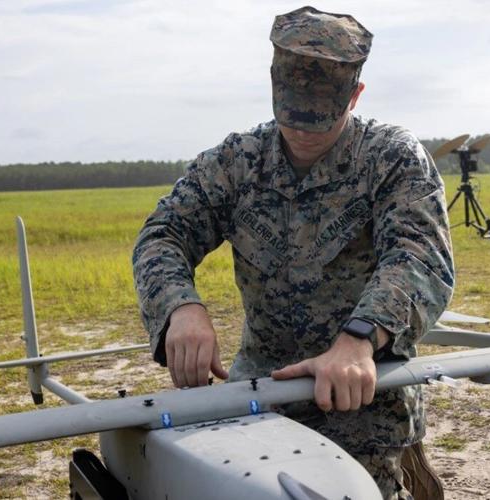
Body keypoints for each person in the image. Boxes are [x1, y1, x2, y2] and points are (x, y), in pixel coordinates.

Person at [133, 6, 454, 499]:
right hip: (260, 401)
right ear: (273, 86)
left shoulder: (391, 157)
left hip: (362, 407)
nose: (303, 131)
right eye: (292, 114)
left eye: (320, 118)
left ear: (355, 96)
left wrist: (358, 340)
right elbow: (164, 234)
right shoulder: (237, 162)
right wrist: (181, 308)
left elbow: (419, 256)